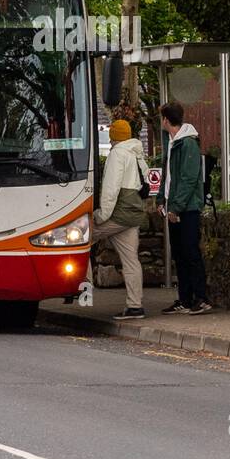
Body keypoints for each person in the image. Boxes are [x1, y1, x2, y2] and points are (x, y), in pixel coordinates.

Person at [156, 101, 211, 315]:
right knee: (179, 254)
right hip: (174, 205)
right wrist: (162, 199)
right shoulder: (172, 142)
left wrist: (175, 207)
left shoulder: (187, 144)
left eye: (162, 118)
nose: (161, 121)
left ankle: (201, 297)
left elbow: (188, 179)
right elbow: (167, 176)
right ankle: (185, 299)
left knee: (190, 252)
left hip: (187, 209)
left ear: (167, 120)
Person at [93, 119, 149, 320]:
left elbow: (110, 190)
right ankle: (135, 306)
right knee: (131, 260)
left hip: (118, 214)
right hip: (133, 214)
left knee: (79, 237)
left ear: (113, 136)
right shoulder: (136, 153)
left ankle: (82, 290)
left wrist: (100, 216)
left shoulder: (117, 154)